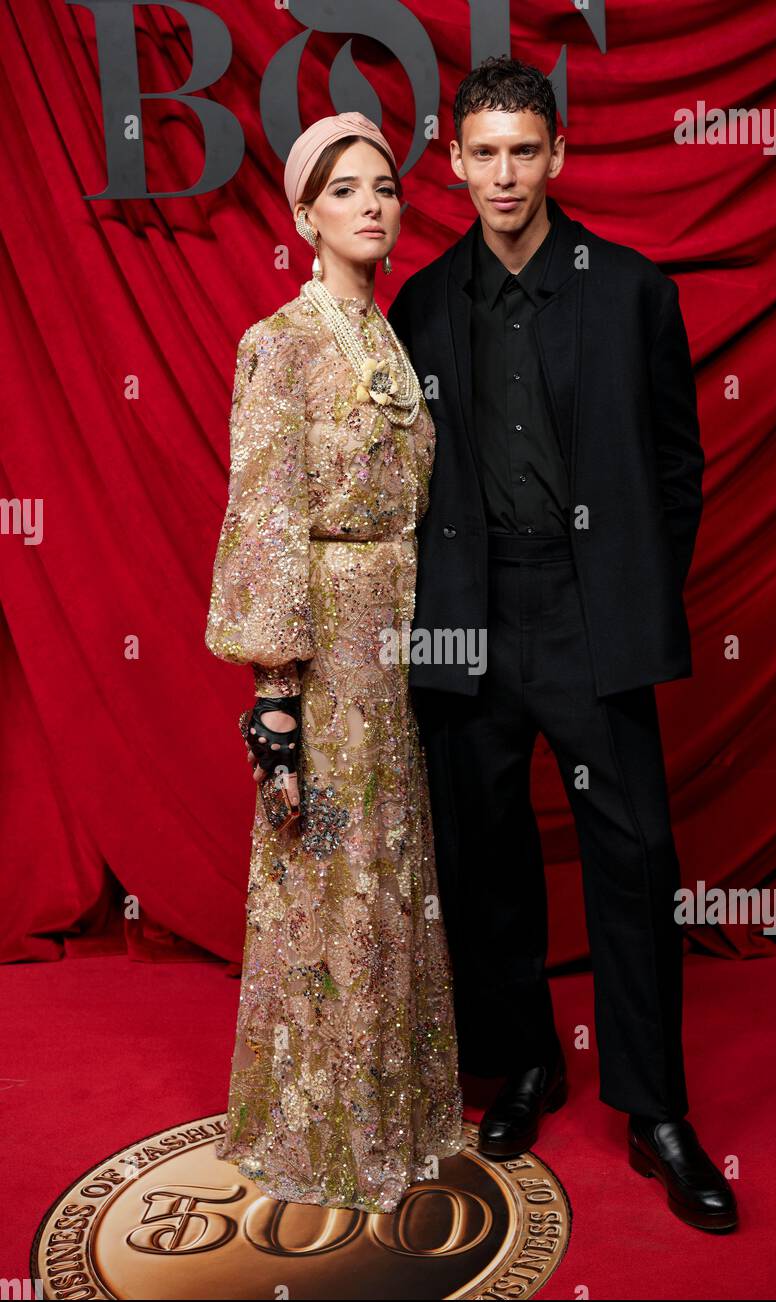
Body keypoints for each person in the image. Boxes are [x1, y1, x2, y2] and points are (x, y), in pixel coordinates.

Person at [387, 58, 737, 1232]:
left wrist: (628, 587)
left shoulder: (631, 289)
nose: (501, 174)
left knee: (633, 862)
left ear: (557, 157)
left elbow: (677, 468)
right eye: (480, 152)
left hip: (590, 612)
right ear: (451, 161)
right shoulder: (421, 305)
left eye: (521, 150)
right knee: (482, 861)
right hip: (465, 613)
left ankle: (653, 1109)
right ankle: (524, 1062)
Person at [204, 112, 465, 1215]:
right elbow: (263, 517)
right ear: (305, 214)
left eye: (386, 187)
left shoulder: (390, 337)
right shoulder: (284, 339)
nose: (374, 204)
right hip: (327, 639)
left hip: (402, 630)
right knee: (325, 865)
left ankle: (396, 1110)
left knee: (393, 861)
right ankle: (322, 1128)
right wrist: (275, 694)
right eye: (346, 190)